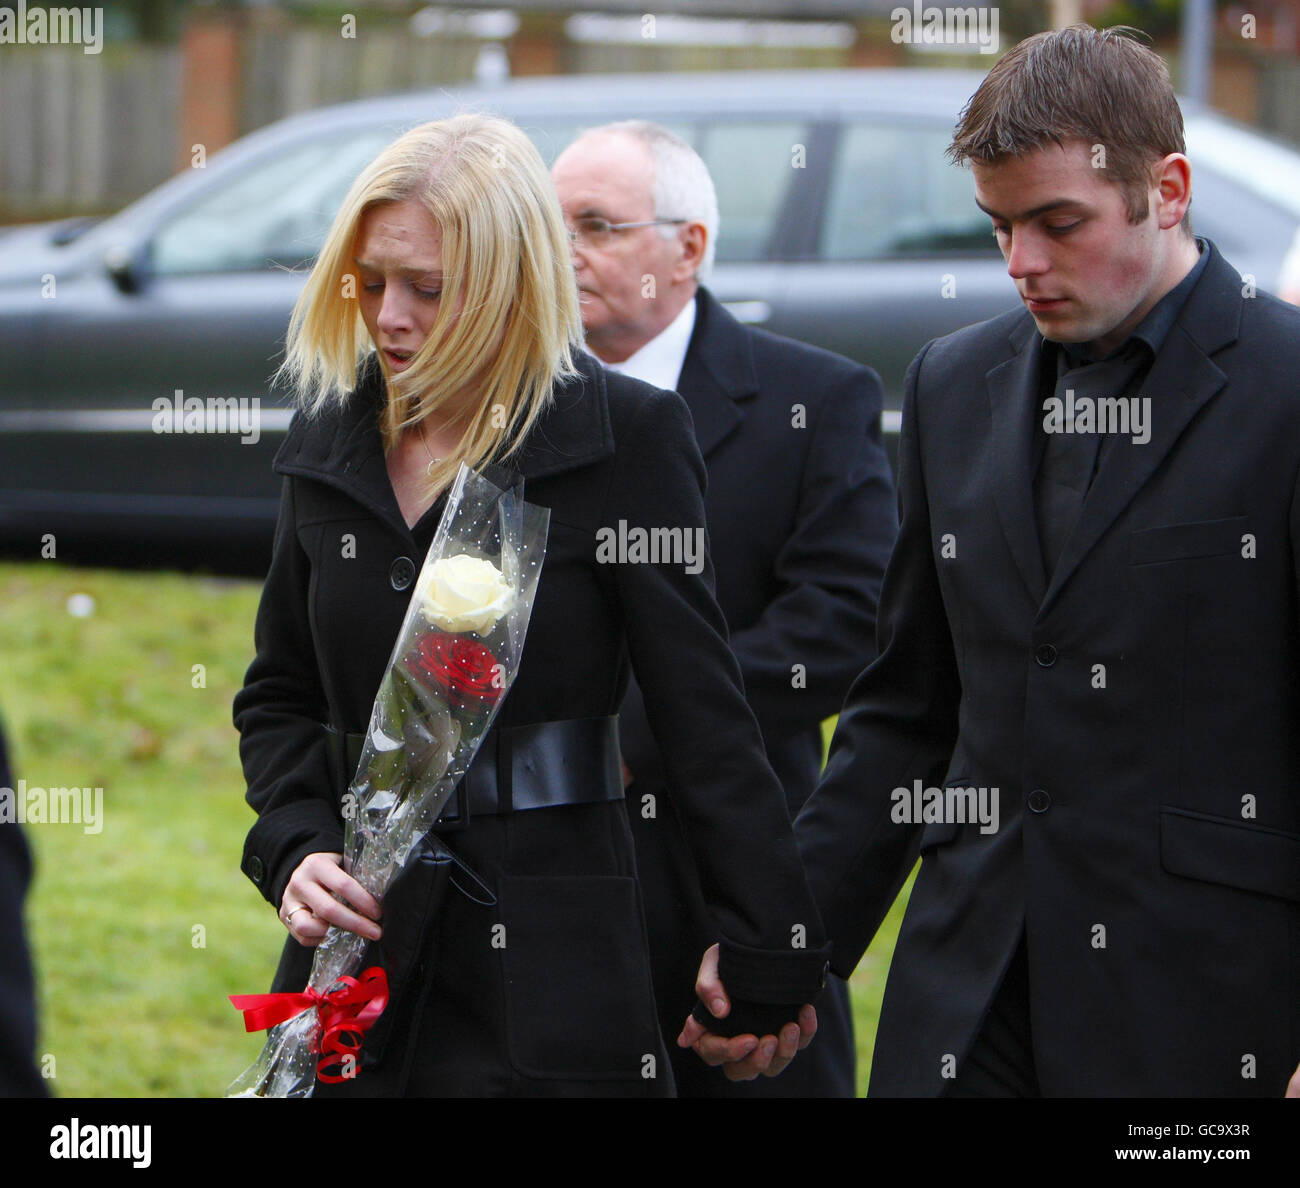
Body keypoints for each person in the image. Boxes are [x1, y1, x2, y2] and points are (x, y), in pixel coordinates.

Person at [700, 25, 1300, 1095]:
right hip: (965, 997)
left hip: (1207, 1010)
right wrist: (784, 953)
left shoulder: (1287, 389)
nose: (1020, 262)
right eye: (999, 226)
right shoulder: (948, 384)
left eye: (1056, 223)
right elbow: (906, 715)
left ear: (1166, 189)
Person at [232, 113, 830, 1097]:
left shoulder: (623, 437)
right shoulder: (332, 433)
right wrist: (292, 846)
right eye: (371, 280)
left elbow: (704, 716)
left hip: (553, 966)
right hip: (357, 964)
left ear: (513, 283)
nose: (388, 316)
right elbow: (280, 693)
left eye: (428, 288)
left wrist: (769, 949)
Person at [551, 122, 896, 1097]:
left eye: (596, 225)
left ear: (689, 247)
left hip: (723, 873)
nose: (562, 249)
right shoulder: (504, 402)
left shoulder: (812, 399)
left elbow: (844, 616)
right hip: (537, 871)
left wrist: (630, 732)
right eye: (545, 224)